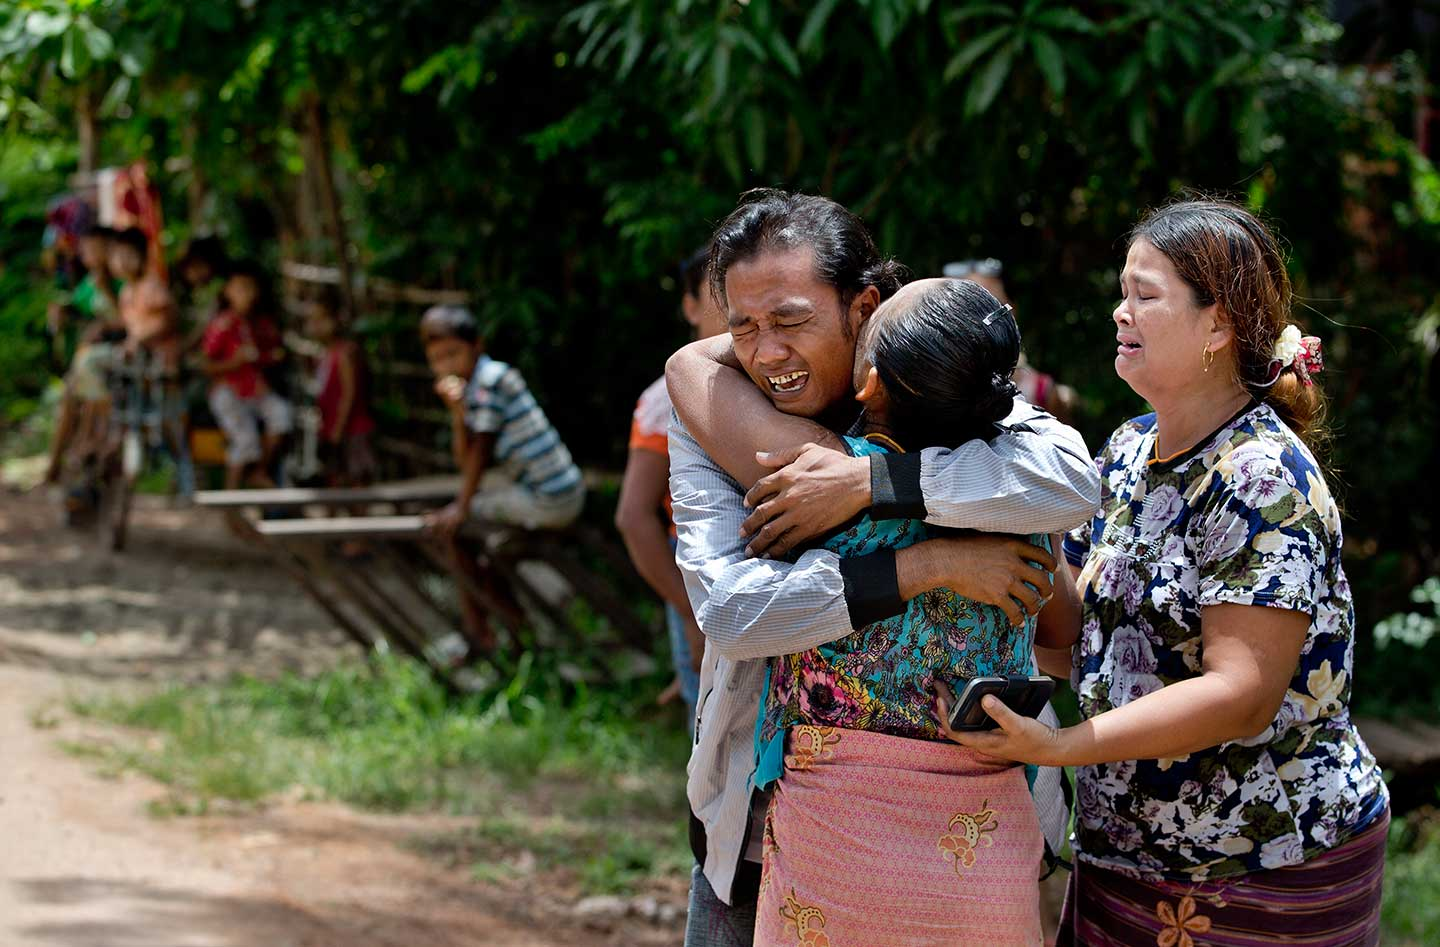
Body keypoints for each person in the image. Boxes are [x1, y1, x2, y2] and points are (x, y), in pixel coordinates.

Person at [940, 198, 1391, 946]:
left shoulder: (1259, 475)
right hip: (1128, 856)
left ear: (1218, 326)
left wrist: (1061, 746)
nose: (1121, 313)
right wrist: (1019, 512)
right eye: (1123, 292)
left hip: (1264, 863)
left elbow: (1240, 694)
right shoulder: (1126, 450)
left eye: (1145, 296)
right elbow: (1075, 639)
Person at [664, 189, 1100, 947]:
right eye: (743, 327)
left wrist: (872, 482)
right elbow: (731, 610)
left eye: (792, 321)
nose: (767, 354)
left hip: (970, 830)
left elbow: (1068, 478)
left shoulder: (937, 373)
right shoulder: (712, 410)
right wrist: (928, 561)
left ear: (863, 305)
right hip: (760, 831)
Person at [748, 277, 1083, 946]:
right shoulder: (1019, 500)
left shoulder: (819, 487)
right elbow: (1060, 628)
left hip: (839, 831)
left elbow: (754, 612)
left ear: (868, 384)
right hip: (983, 835)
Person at [419, 305, 585, 652]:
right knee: (475, 541)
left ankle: (477, 632)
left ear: (476, 346)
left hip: (550, 499)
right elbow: (465, 459)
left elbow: (478, 453)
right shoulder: (479, 385)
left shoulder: (490, 381)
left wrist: (461, 509)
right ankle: (503, 631)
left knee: (455, 530)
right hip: (548, 490)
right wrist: (456, 413)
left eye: (453, 354)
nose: (447, 365)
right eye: (438, 360)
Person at [615, 247, 727, 727]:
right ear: (689, 306)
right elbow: (634, 517)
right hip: (701, 582)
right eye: (720, 293)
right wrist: (689, 613)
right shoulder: (668, 398)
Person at [943, 258, 1077, 424]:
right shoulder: (926, 384)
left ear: (1012, 311)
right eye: (965, 308)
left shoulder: (1043, 392)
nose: (981, 320)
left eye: (994, 306)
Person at [202, 260, 292, 490]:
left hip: (258, 390)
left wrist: (269, 358)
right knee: (245, 439)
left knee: (282, 415)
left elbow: (274, 354)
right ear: (228, 291)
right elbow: (206, 365)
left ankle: (260, 472)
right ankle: (231, 499)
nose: (247, 294)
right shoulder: (222, 325)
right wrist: (235, 363)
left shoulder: (262, 324)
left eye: (251, 288)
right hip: (228, 392)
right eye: (241, 288)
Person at [305, 285, 377, 487]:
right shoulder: (322, 356)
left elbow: (349, 394)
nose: (315, 325)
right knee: (336, 480)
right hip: (331, 430)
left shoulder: (345, 353)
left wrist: (338, 428)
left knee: (356, 479)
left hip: (351, 429)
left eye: (321, 319)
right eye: (312, 320)